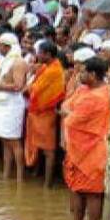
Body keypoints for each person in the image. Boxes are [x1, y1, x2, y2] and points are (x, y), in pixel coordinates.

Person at [62, 57, 110, 220]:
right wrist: (69, 111)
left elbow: (70, 119)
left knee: (92, 193)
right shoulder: (86, 90)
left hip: (91, 151)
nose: (79, 74)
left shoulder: (97, 96)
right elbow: (66, 105)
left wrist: (69, 111)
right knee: (76, 189)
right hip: (76, 148)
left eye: (83, 71)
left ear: (93, 75)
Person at [0, 33, 28, 181]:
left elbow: (18, 86)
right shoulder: (4, 61)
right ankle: (6, 174)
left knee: (14, 142)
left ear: (7, 46)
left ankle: (19, 178)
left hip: (12, 106)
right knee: (5, 141)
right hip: (2, 105)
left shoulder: (18, 62)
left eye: (0, 45)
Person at [24, 41, 65, 187]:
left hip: (46, 113)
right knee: (41, 147)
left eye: (40, 53)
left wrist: (28, 88)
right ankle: (42, 179)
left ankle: (48, 184)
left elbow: (35, 89)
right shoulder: (46, 67)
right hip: (39, 113)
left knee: (48, 150)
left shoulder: (53, 70)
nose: (37, 55)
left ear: (48, 54)